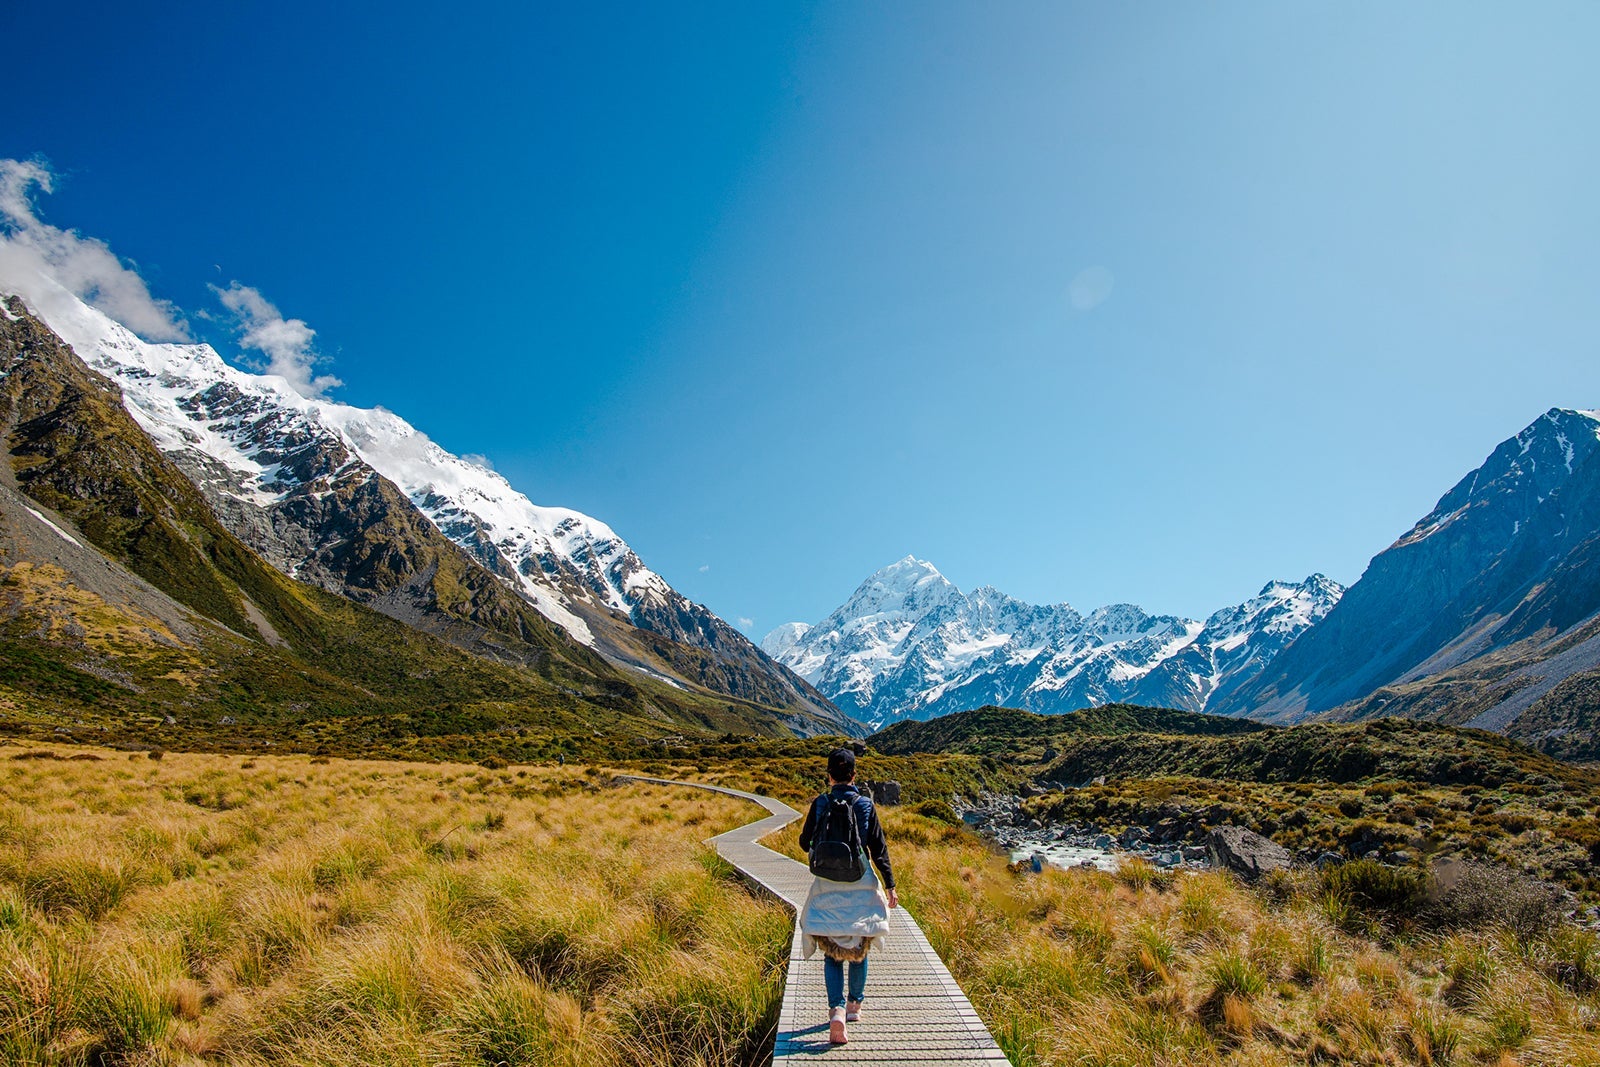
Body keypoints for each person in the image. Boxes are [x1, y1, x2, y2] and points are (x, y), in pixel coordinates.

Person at [797, 747, 897, 1046]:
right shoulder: (864, 804)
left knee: (831, 949)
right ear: (854, 775)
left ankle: (836, 1010)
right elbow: (878, 849)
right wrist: (890, 885)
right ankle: (854, 1005)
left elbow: (804, 844)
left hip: (827, 885)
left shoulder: (820, 803)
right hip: (860, 883)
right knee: (859, 943)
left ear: (829, 776)